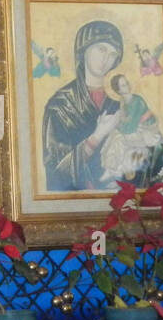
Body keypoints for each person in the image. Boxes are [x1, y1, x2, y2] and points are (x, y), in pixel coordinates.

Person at [41, 20, 127, 192]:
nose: (106, 59)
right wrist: (97, 136)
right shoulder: (60, 105)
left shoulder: (120, 102)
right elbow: (56, 170)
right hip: (76, 206)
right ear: (83, 50)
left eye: (112, 54)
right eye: (101, 49)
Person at [99, 72, 163, 184]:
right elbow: (125, 122)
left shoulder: (137, 100)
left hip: (145, 131)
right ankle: (111, 169)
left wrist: (118, 127)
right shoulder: (123, 102)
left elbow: (131, 127)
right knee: (114, 136)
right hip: (134, 129)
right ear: (118, 90)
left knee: (118, 138)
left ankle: (112, 168)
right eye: (123, 85)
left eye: (126, 83)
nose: (127, 86)